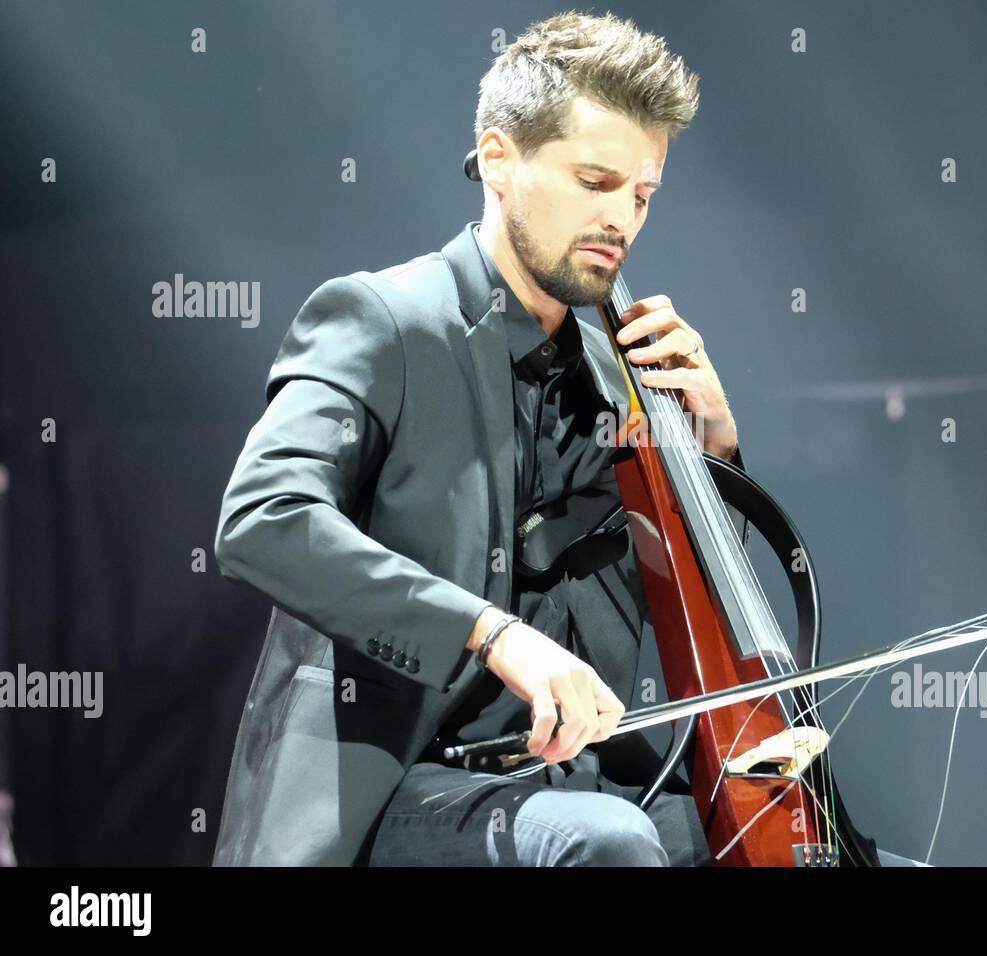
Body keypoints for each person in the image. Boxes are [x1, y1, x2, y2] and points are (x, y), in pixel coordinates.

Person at [212, 10, 927, 867]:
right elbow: (263, 517)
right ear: (501, 159)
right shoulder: (384, 321)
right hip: (398, 786)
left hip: (572, 783)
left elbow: (673, 598)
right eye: (595, 180)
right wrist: (492, 634)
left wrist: (713, 457)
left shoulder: (618, 368)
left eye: (641, 194)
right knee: (607, 844)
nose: (620, 218)